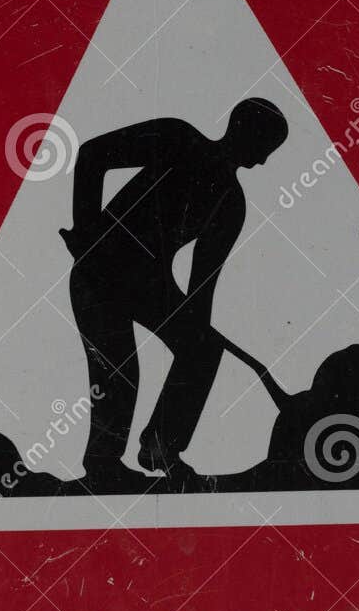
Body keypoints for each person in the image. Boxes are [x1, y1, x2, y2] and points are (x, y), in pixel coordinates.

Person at [60, 98, 288, 485]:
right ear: (243, 130)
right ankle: (102, 465)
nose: (264, 161)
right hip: (99, 270)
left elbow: (203, 286)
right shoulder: (177, 137)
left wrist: (198, 329)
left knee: (202, 348)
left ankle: (161, 446)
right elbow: (92, 155)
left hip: (149, 284)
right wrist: (87, 233)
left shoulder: (230, 204)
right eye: (265, 147)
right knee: (119, 371)